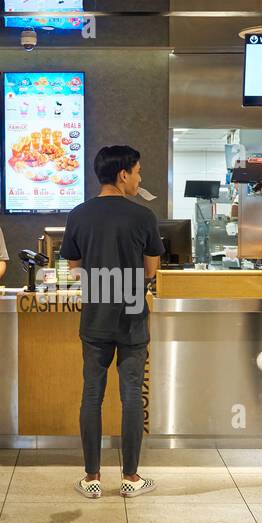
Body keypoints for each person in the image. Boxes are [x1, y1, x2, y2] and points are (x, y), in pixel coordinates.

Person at [63, 145, 163, 498]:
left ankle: (92, 478)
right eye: (137, 172)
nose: (139, 179)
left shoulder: (78, 215)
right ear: (123, 174)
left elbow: (74, 270)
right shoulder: (143, 217)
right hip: (132, 312)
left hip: (95, 315)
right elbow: (151, 270)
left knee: (92, 393)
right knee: (131, 394)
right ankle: (131, 478)